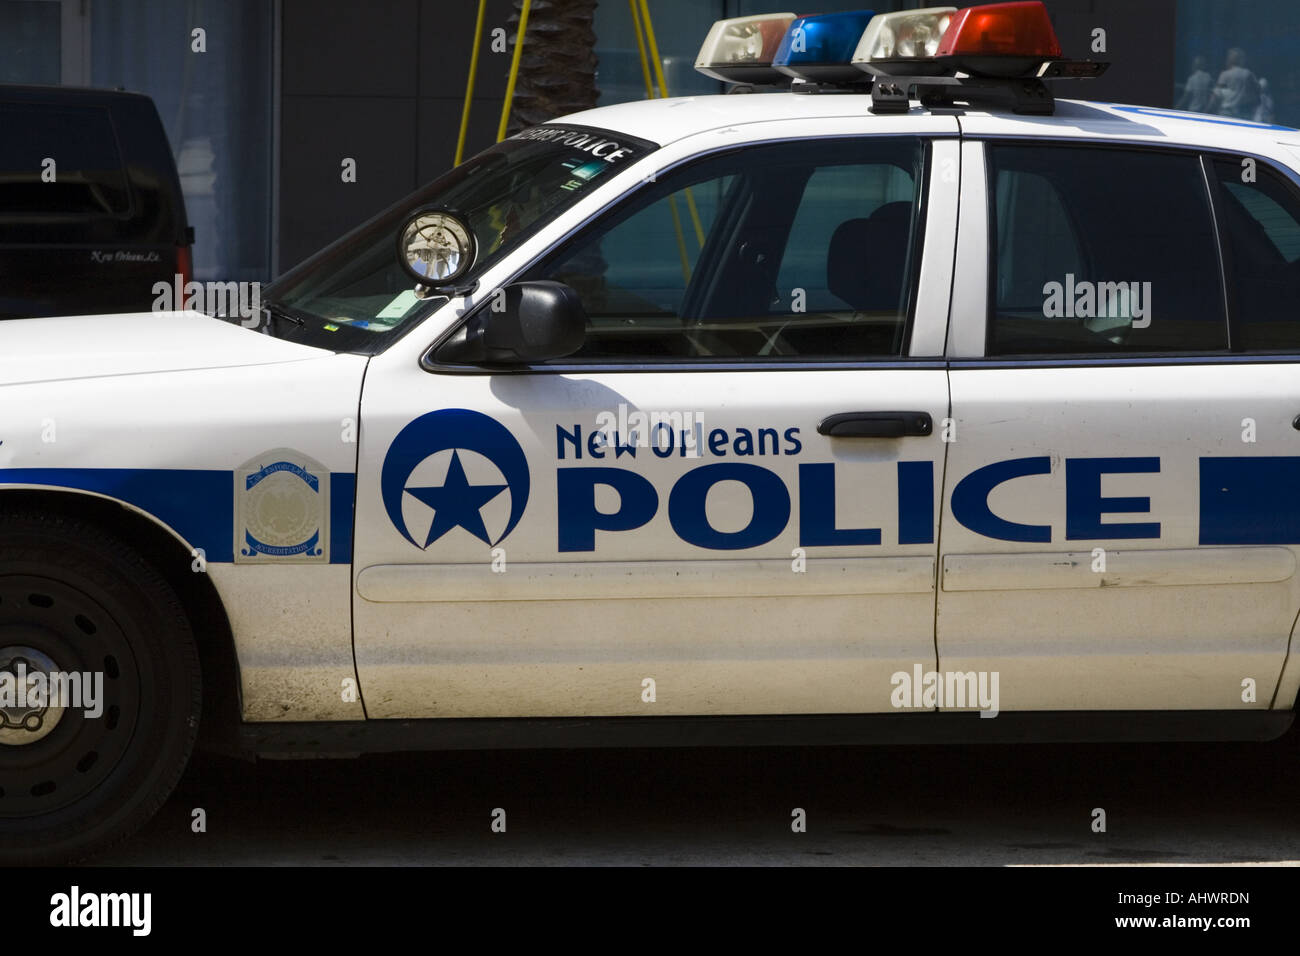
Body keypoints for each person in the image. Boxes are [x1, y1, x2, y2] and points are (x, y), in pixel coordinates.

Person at [1214, 48, 1260, 120]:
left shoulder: (1224, 74)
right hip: (1242, 114)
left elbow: (1217, 95)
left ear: (1231, 59)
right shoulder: (1248, 74)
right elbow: (1257, 90)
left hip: (1225, 113)